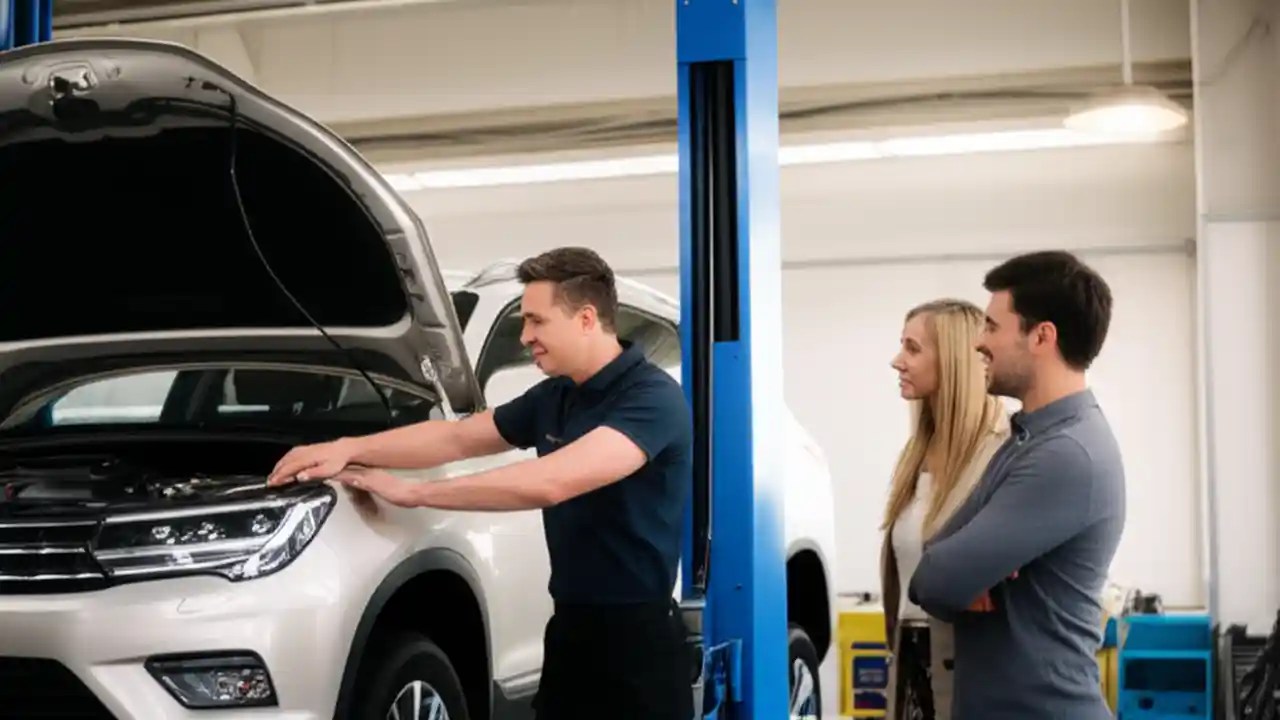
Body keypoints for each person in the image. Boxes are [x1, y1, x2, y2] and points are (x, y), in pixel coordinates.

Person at [266, 247, 695, 720]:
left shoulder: (652, 398)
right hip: (571, 632)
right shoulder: (556, 396)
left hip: (639, 644)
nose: (527, 335)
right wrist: (348, 447)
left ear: (587, 318)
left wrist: (416, 493)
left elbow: (553, 481)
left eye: (536, 321)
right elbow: (456, 437)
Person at [907, 250, 1126, 720]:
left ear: (1041, 336)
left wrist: (961, 571)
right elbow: (936, 554)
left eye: (991, 327)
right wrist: (966, 567)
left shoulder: (1067, 454)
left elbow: (937, 582)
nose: (979, 344)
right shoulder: (1029, 437)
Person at [880, 299, 1010, 720]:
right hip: (911, 655)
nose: (897, 361)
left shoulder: (1002, 452)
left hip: (972, 671)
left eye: (913, 348)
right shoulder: (914, 454)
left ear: (953, 360)